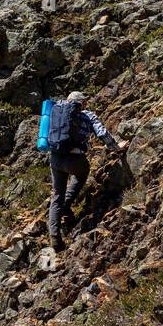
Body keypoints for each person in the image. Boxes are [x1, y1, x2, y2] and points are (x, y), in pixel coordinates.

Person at [47, 91, 124, 251]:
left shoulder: (55, 112)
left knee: (56, 195)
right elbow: (101, 132)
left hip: (55, 158)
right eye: (85, 102)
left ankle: (55, 238)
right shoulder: (86, 115)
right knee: (82, 173)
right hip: (74, 159)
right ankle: (67, 204)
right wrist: (116, 148)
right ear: (81, 103)